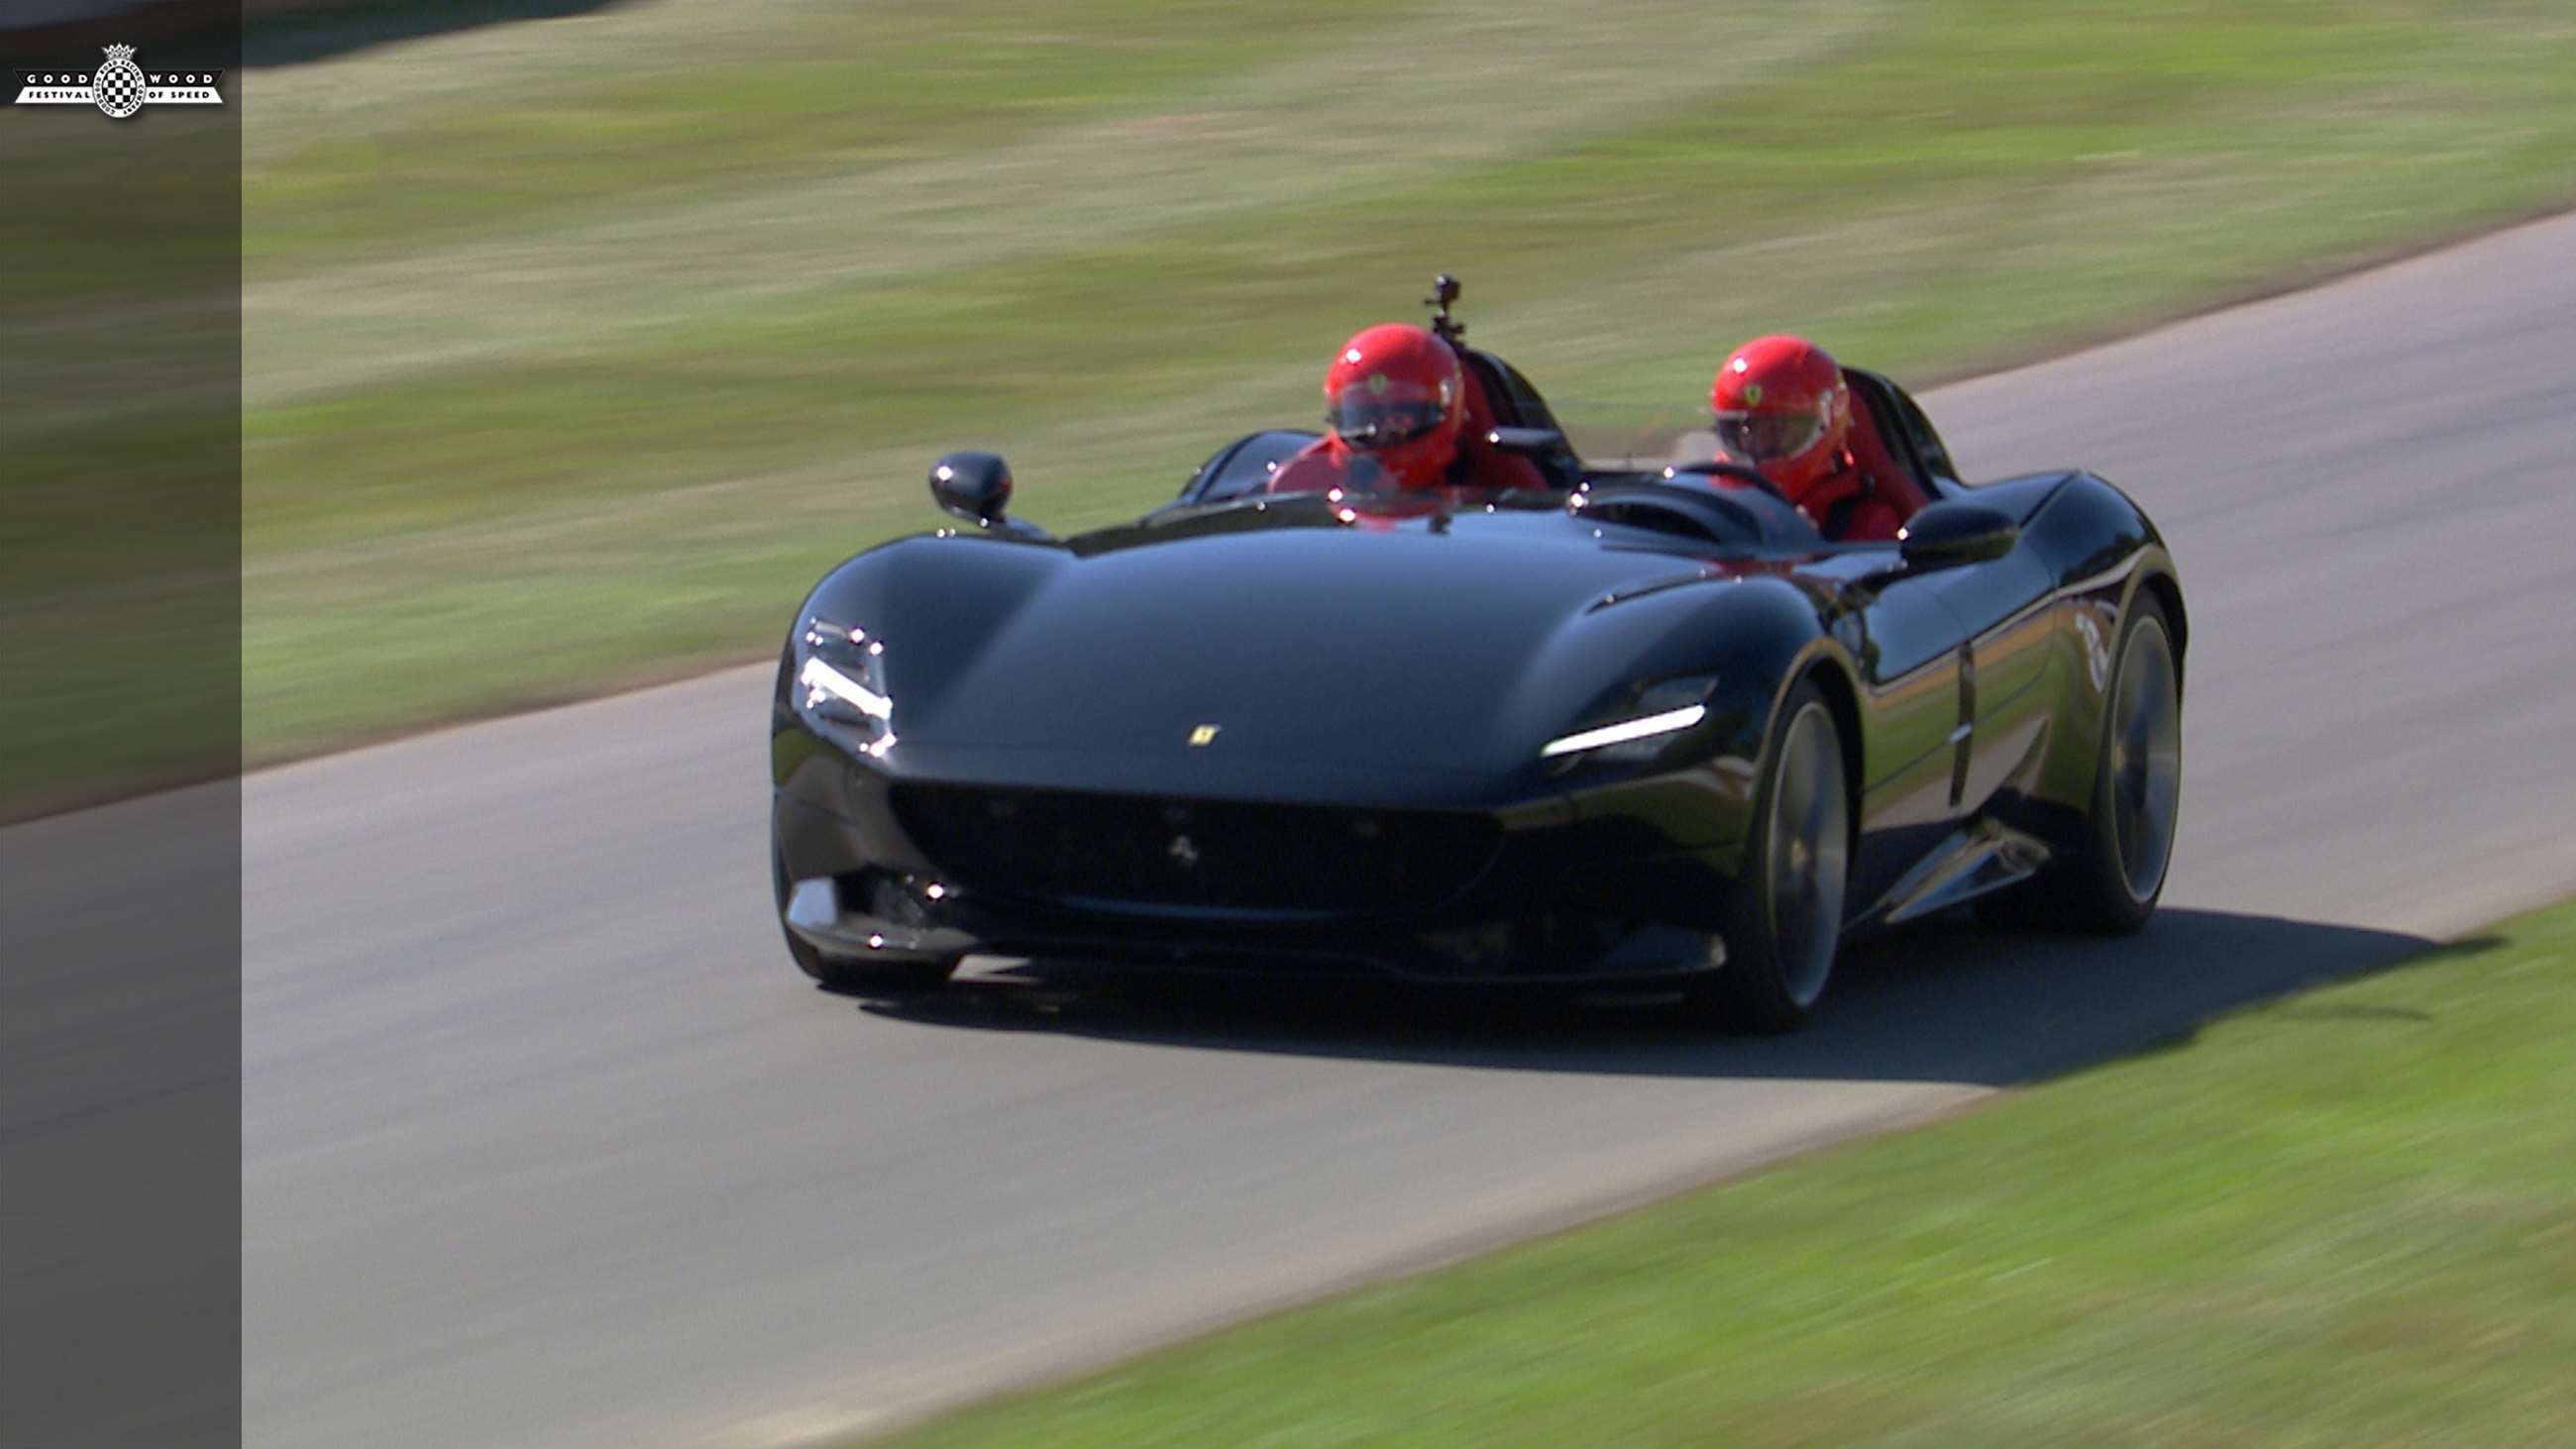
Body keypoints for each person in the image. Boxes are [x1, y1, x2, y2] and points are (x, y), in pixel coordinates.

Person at [1267, 323, 1549, 496]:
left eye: (1399, 418)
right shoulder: (1298, 484)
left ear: (1447, 411)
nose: (1379, 431)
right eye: (1362, 418)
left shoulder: (1499, 488)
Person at [1708, 335, 1920, 542]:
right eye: (1746, 431)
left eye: (1778, 430)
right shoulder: (1708, 497)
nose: (1759, 444)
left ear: (1828, 423)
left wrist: (1801, 550)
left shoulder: (1867, 522)